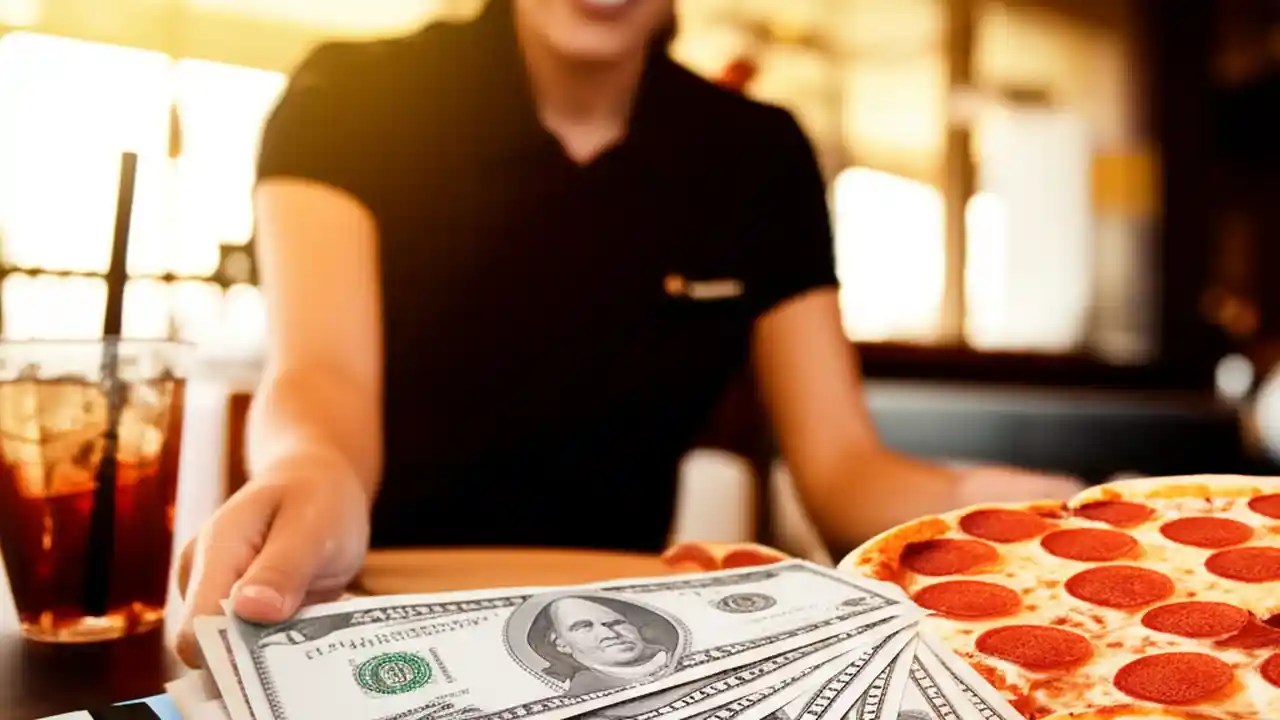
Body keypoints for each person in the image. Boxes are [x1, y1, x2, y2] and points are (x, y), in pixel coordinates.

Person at [174, 0, 1082, 666]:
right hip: (373, 602)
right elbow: (321, 375)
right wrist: (311, 472)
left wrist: (987, 503)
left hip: (634, 634)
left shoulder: (757, 153)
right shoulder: (350, 96)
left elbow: (844, 471)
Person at [532, 596, 677, 694]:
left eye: (617, 623)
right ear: (561, 644)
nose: (610, 634)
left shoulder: (674, 655)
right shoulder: (583, 691)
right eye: (584, 627)